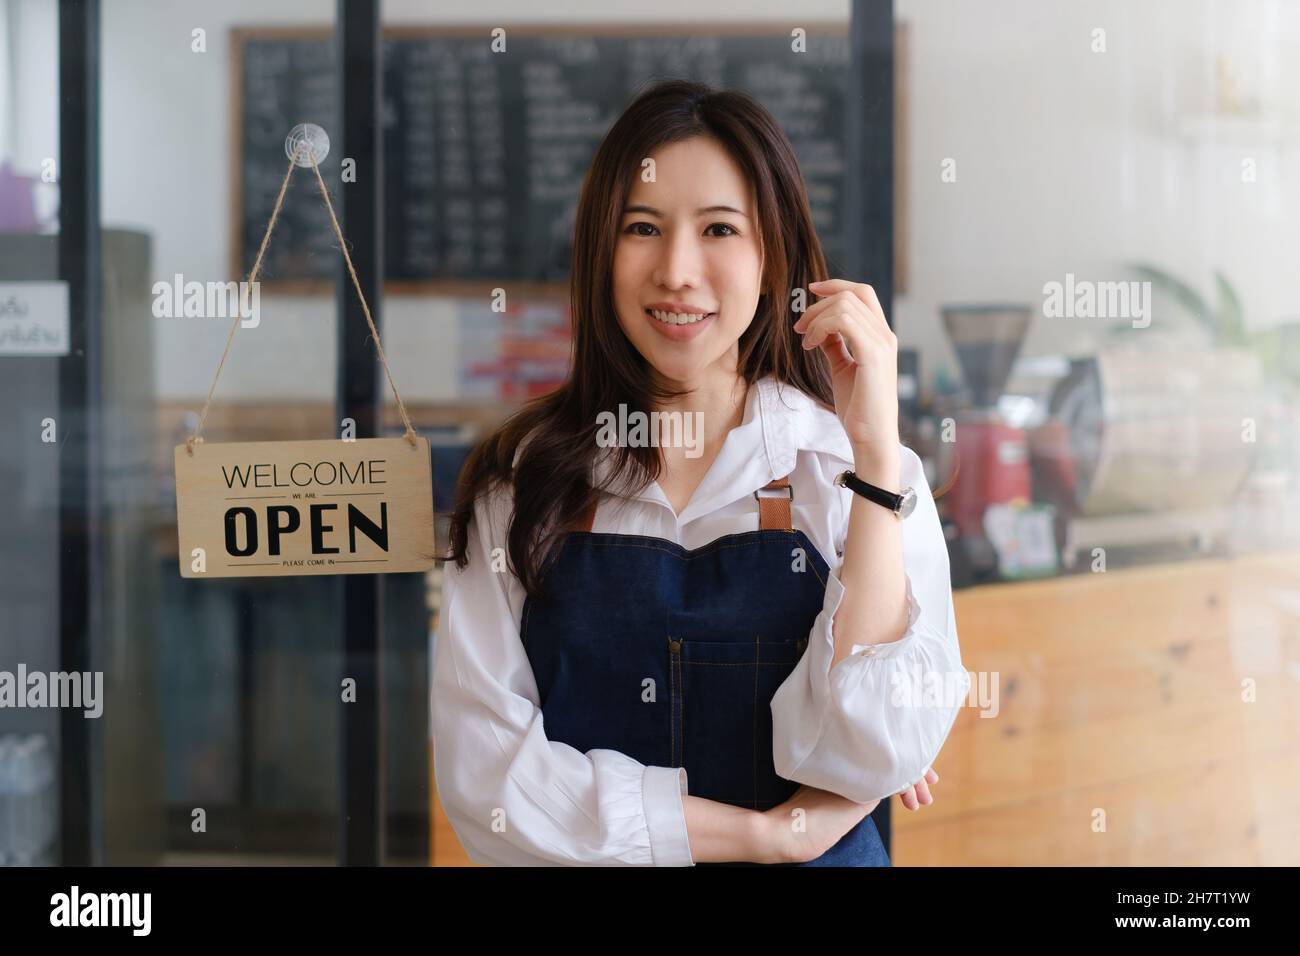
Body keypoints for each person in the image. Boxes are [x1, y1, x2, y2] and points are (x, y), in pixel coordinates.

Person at [431, 79, 970, 866]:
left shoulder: (848, 471)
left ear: (770, 256)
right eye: (642, 227)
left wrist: (877, 461)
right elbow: (491, 784)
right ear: (599, 251)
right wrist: (760, 837)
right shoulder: (522, 485)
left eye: (719, 229)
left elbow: (874, 751)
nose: (677, 271)